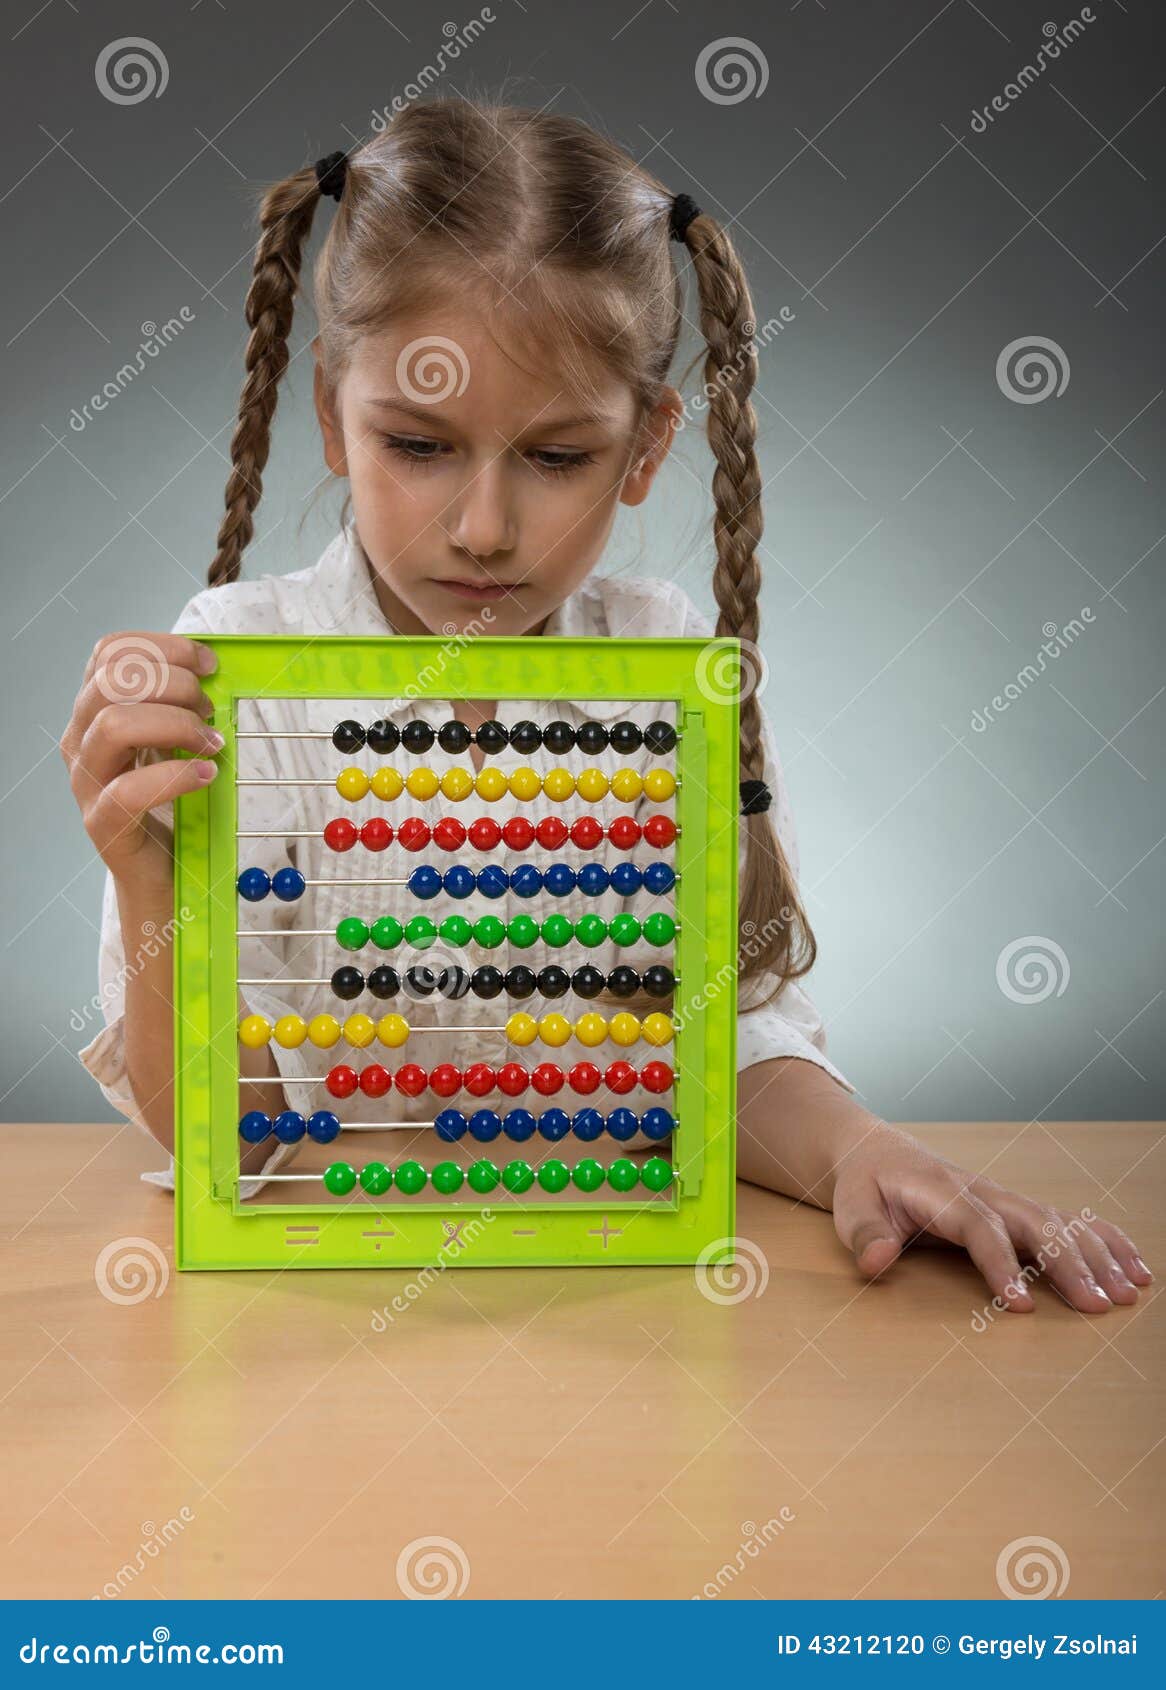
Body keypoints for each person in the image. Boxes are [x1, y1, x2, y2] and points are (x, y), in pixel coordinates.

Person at [61, 97, 1149, 1310]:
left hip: (620, 1299)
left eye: (557, 456)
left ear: (645, 447)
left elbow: (718, 1044)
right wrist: (151, 887)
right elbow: (231, 1138)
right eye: (418, 445)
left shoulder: (662, 663)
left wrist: (861, 1149)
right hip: (320, 1309)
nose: (482, 530)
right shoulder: (233, 680)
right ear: (331, 413)